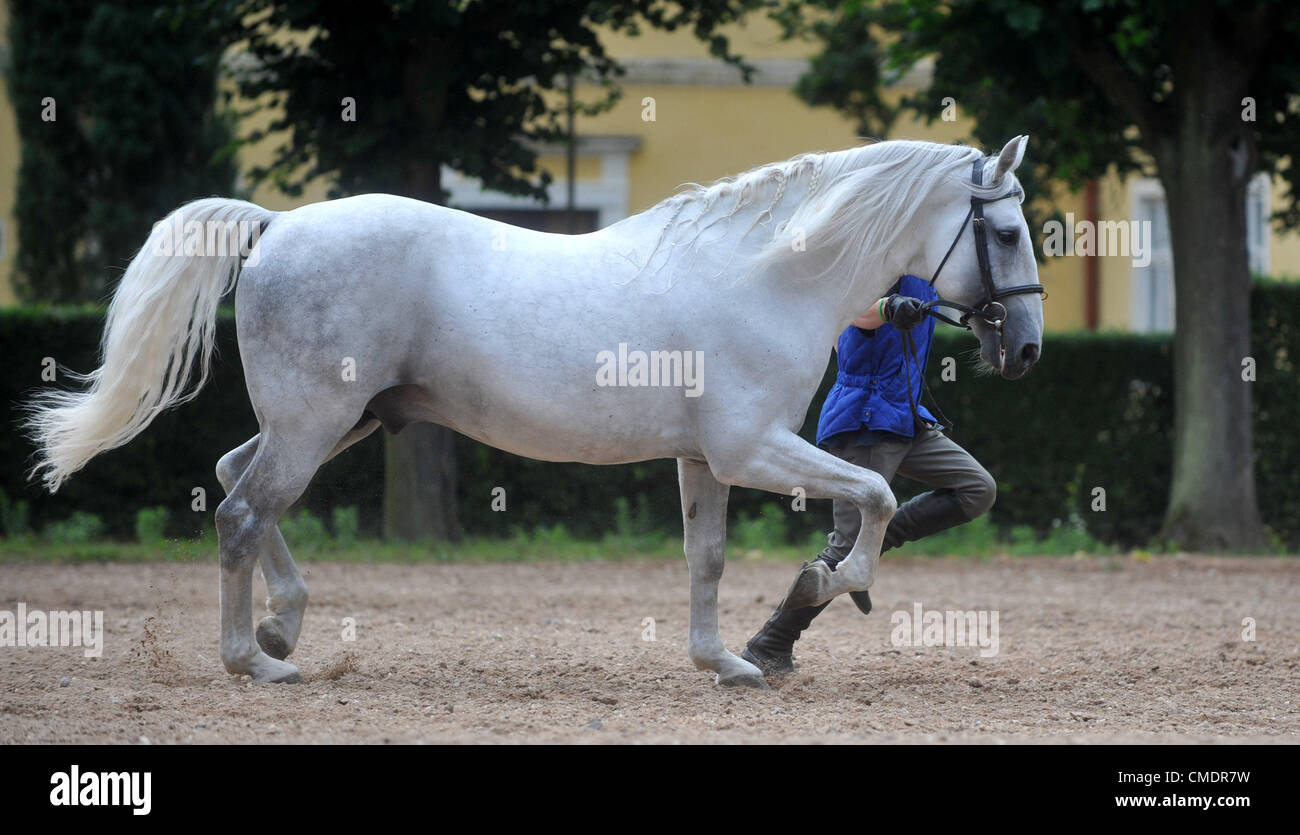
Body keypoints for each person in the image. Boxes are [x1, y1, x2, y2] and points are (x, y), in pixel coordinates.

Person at [742, 273, 997, 677]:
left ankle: (873, 544)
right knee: (844, 548)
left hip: (908, 419)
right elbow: (848, 310)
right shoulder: (870, 258)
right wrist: (886, 307)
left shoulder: (923, 272)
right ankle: (769, 645)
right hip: (864, 417)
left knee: (976, 489)